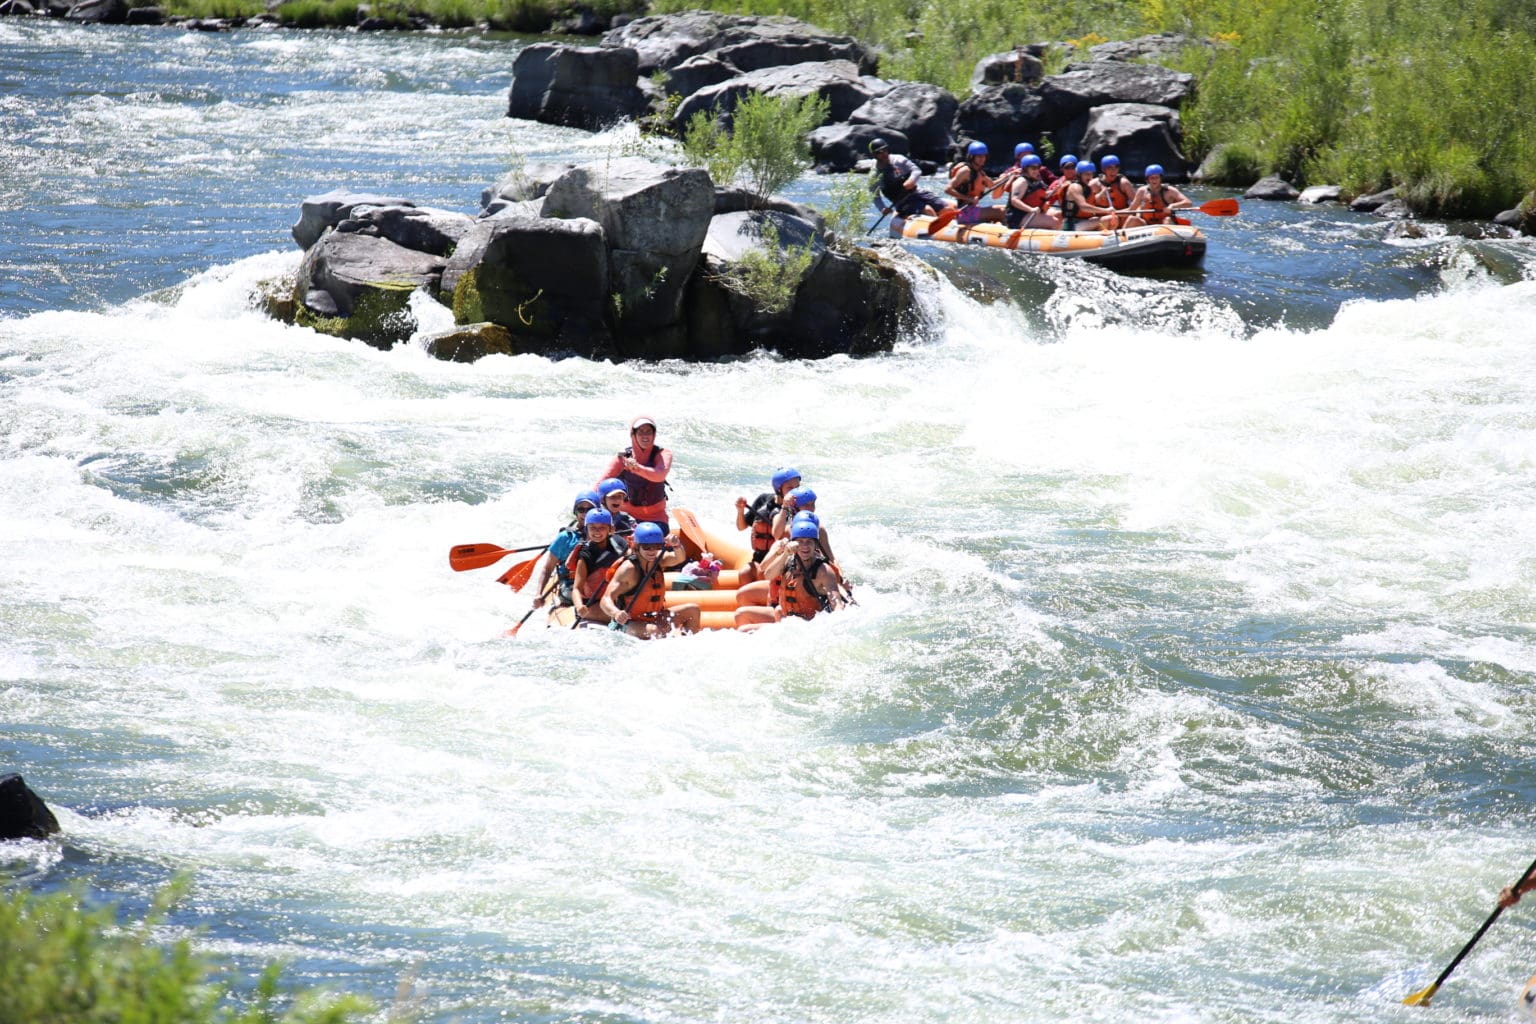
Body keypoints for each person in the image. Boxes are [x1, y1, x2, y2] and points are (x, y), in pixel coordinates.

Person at [734, 514, 846, 629]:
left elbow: (836, 603)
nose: (805, 546)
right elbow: (768, 575)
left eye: (809, 542)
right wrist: (785, 553)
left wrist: (838, 618)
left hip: (808, 626)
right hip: (788, 622)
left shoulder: (824, 571)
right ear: (793, 542)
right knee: (742, 615)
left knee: (744, 630)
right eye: (800, 541)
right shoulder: (788, 559)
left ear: (815, 544)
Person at [600, 522, 701, 637]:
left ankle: (688, 646)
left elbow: (679, 558)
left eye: (657, 546)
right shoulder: (629, 569)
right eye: (647, 547)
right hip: (628, 624)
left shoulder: (659, 560)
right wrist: (616, 613)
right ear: (637, 546)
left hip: (654, 617)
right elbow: (606, 599)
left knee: (693, 609)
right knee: (653, 630)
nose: (652, 551)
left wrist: (676, 545)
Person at [596, 416, 671, 530]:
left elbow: (659, 475)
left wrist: (637, 468)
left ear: (654, 434)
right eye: (640, 431)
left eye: (648, 432)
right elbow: (600, 484)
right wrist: (586, 504)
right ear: (633, 434)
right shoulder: (622, 458)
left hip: (656, 517)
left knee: (652, 538)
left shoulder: (663, 454)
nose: (645, 435)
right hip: (626, 516)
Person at [529, 489, 599, 610]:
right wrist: (538, 594)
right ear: (575, 512)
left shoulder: (604, 535)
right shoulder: (565, 537)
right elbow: (547, 569)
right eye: (581, 509)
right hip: (570, 586)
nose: (585, 514)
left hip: (596, 584)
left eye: (589, 509)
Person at [736, 465, 801, 577]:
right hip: (759, 557)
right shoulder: (763, 500)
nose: (795, 492)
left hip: (781, 558)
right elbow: (741, 527)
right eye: (790, 488)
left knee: (764, 575)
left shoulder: (798, 508)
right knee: (744, 574)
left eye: (797, 487)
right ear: (778, 489)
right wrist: (740, 511)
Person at [570, 508, 631, 624]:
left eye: (602, 527)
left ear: (611, 529)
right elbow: (577, 588)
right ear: (586, 529)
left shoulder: (619, 543)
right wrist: (579, 606)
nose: (597, 532)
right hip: (592, 603)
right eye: (593, 528)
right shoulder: (585, 555)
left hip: (615, 597)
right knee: (628, 617)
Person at [868, 138, 951, 219]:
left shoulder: (898, 159)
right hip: (901, 202)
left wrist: (912, 180)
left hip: (917, 193)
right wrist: (882, 208)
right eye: (879, 152)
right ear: (874, 155)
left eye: (885, 149)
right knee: (928, 210)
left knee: (947, 209)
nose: (884, 153)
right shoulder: (874, 175)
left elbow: (916, 170)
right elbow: (875, 196)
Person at [946, 141, 1006, 225]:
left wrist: (1006, 177)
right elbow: (947, 189)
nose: (982, 159)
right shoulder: (965, 171)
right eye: (979, 156)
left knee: (1005, 208)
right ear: (971, 157)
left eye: (984, 156)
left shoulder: (980, 172)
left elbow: (992, 185)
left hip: (974, 210)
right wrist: (969, 199)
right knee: (1002, 211)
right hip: (965, 213)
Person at [1006, 155, 1061, 231]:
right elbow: (1014, 200)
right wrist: (1031, 209)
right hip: (1018, 216)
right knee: (1054, 221)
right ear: (1026, 169)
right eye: (1033, 168)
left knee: (1059, 215)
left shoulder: (1035, 180)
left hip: (1030, 213)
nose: (1036, 171)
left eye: (1038, 167)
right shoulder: (1021, 181)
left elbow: (1041, 195)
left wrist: (1054, 191)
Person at [1061, 161, 1116, 231]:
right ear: (1079, 175)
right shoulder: (1075, 187)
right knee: (1109, 219)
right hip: (1072, 224)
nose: (1090, 177)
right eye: (1087, 174)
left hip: (1083, 221)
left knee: (1113, 219)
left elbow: (1091, 201)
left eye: (1091, 174)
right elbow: (1083, 206)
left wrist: (1101, 194)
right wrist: (1106, 210)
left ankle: (1099, 238)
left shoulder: (1086, 187)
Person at [1129, 164, 1194, 223]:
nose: (1154, 180)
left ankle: (1167, 234)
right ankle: (1122, 234)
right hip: (1146, 225)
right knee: (1132, 219)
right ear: (1147, 179)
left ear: (1161, 178)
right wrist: (1118, 212)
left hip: (1164, 224)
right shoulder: (1141, 191)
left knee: (1167, 220)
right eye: (1152, 178)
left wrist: (1172, 206)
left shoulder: (1169, 190)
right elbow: (1132, 209)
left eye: (1157, 177)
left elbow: (1188, 203)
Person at [1096, 155, 1144, 228]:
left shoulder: (1124, 183)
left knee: (1133, 219)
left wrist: (1138, 215)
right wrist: (1100, 196)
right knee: (1107, 219)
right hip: (1106, 221)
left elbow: (1136, 204)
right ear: (1103, 169)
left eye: (1116, 167)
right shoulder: (1095, 183)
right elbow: (1090, 205)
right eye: (1110, 168)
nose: (1113, 171)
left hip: (1123, 219)